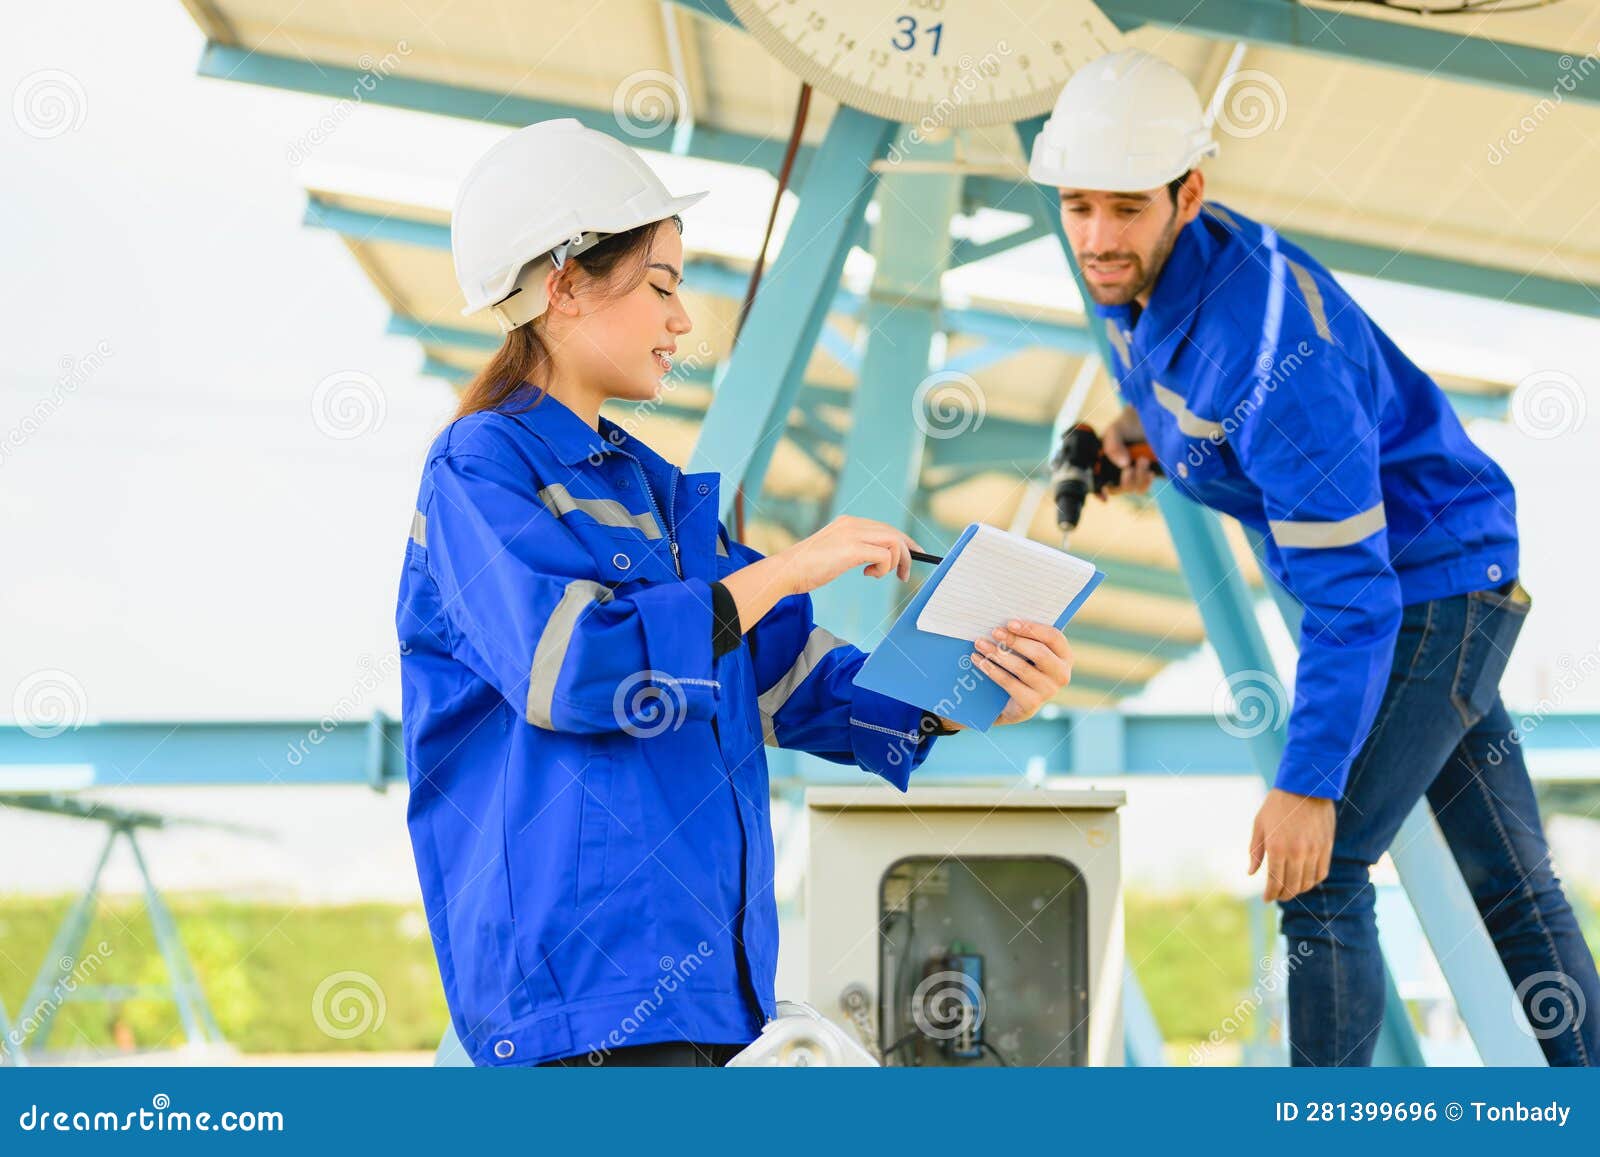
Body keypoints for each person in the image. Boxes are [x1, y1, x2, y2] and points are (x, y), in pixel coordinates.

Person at [395, 118, 1076, 1067]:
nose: (683, 320)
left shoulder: (661, 496)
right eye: (663, 285)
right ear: (561, 284)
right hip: (583, 993)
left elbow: (793, 685)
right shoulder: (479, 465)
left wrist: (970, 679)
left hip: (710, 991)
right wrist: (791, 567)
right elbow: (572, 665)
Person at [1029, 49, 1598, 1066]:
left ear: (1188, 192)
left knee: (1321, 871)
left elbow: (1352, 596)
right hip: (1431, 576)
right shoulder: (1146, 276)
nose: (1095, 238)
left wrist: (1307, 781)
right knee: (1510, 881)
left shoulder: (1276, 361)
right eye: (1076, 206)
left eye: (1123, 209)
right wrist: (1134, 437)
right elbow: (1161, 368)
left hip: (1432, 590)